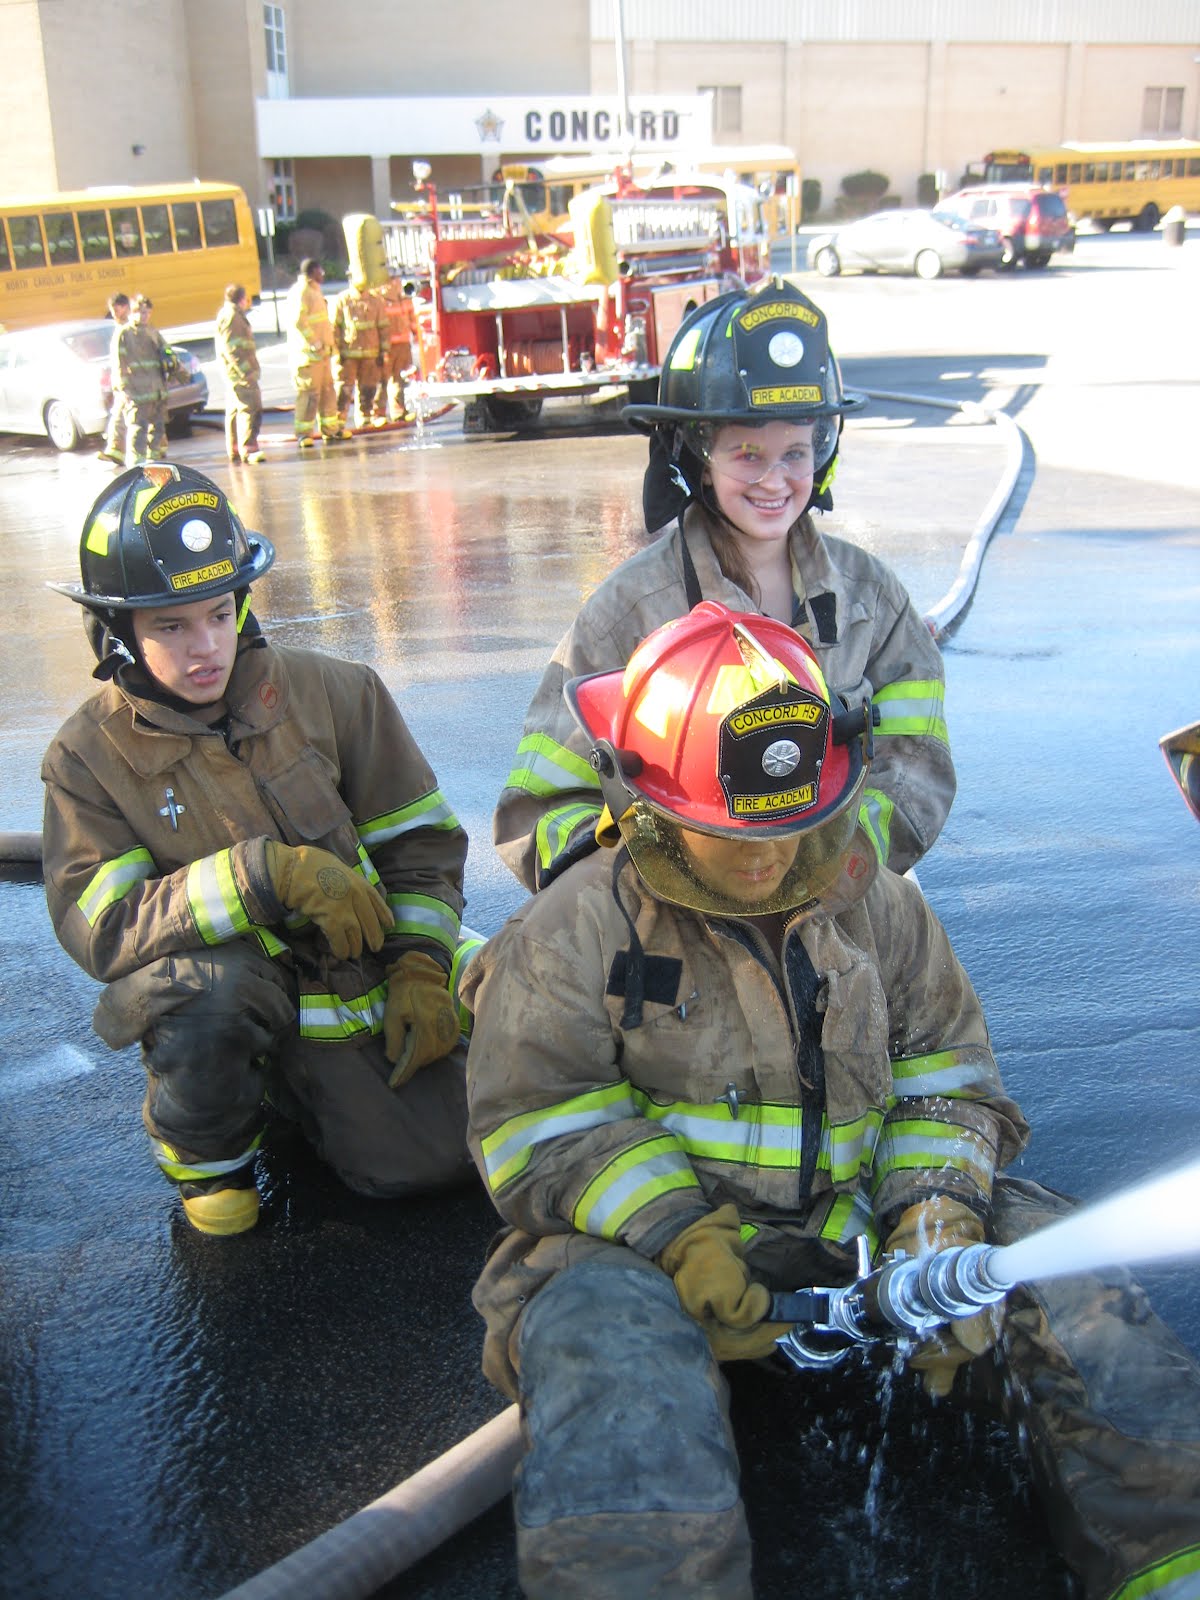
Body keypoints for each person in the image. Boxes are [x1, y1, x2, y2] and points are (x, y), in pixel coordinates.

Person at [464, 601, 1200, 1600]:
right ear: (642, 802)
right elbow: (538, 1119)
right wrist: (680, 1236)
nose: (770, 858)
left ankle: (1172, 1557)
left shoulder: (879, 901)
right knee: (609, 1367)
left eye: (796, 822)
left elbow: (948, 1072)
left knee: (1076, 1299)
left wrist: (933, 1214)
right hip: (654, 1257)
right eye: (732, 837)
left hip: (869, 1226)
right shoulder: (574, 928)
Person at [42, 463, 474, 1236]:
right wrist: (260, 877)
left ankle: (304, 1095)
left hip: (353, 985)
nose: (206, 647)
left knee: (425, 1168)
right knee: (198, 998)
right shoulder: (86, 758)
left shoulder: (338, 694)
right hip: (233, 997)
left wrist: (418, 964)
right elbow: (104, 924)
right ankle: (214, 1172)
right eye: (170, 626)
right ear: (117, 633)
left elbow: (420, 845)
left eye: (218, 612)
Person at [492, 277, 955, 894]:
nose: (775, 479)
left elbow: (915, 765)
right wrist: (663, 879)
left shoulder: (872, 599)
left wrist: (836, 864)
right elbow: (539, 814)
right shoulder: (628, 614)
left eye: (796, 451)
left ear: (826, 451)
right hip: (687, 933)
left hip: (844, 907)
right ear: (695, 455)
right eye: (746, 454)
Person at [284, 258, 345, 449]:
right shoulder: (302, 291)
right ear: (313, 271)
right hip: (308, 356)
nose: (323, 274)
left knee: (328, 392)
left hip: (322, 355)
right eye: (321, 270)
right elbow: (299, 321)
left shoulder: (314, 290)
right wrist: (315, 343)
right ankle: (303, 434)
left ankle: (331, 430)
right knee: (309, 396)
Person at [116, 293, 173, 465]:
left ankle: (154, 460)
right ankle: (136, 465)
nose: (144, 316)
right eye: (140, 312)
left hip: (156, 390)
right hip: (137, 392)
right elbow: (120, 364)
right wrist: (124, 389)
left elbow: (167, 351)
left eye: (147, 312)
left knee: (158, 428)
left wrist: (170, 360)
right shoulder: (125, 334)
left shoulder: (153, 332)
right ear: (132, 313)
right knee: (138, 428)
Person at [329, 274, 387, 431]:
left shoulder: (376, 301)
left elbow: (383, 328)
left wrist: (383, 352)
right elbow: (333, 328)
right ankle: (338, 422)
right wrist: (336, 351)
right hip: (348, 356)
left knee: (368, 389)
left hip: (371, 355)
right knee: (344, 390)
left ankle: (365, 419)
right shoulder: (342, 300)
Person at [215, 283, 264, 464]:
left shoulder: (229, 314)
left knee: (235, 410)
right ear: (242, 299)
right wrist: (246, 371)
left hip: (234, 373)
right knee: (250, 407)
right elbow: (232, 348)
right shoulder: (232, 317)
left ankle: (235, 449)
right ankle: (249, 448)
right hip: (241, 374)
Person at [374, 274, 421, 425]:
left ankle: (399, 412)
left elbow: (412, 317)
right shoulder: (380, 298)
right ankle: (377, 414)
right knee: (382, 380)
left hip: (403, 343)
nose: (398, 282)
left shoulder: (404, 297)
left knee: (400, 379)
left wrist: (416, 334)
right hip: (386, 346)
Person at [97, 292, 131, 465]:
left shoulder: (130, 329)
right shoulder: (120, 329)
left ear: (124, 307)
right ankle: (115, 449)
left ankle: (154, 449)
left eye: (115, 309)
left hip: (131, 381)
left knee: (139, 417)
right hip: (123, 381)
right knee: (119, 415)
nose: (113, 313)